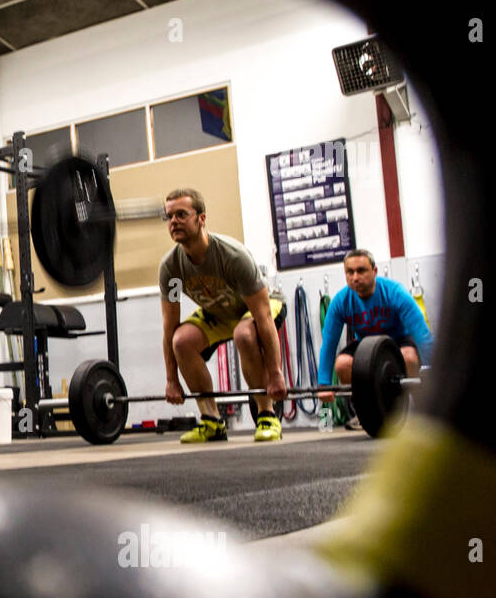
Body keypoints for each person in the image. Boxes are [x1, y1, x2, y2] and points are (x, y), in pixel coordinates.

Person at [158, 189, 288, 442]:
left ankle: (267, 415)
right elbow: (169, 327)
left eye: (181, 214)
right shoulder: (171, 268)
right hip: (218, 312)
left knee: (245, 333)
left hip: (259, 307)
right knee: (181, 341)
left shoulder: (232, 256)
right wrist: (172, 379)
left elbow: (262, 315)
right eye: (169, 216)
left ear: (201, 218)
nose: (174, 221)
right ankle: (211, 422)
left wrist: (275, 372)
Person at [316, 249, 434, 429]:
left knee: (408, 357)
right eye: (350, 272)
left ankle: (424, 412)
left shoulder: (394, 292)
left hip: (397, 340)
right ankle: (365, 413)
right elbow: (329, 343)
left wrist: (429, 369)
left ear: (375, 271)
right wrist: (324, 383)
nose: (355, 277)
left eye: (361, 270)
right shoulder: (341, 301)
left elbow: (421, 333)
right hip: (366, 345)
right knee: (342, 364)